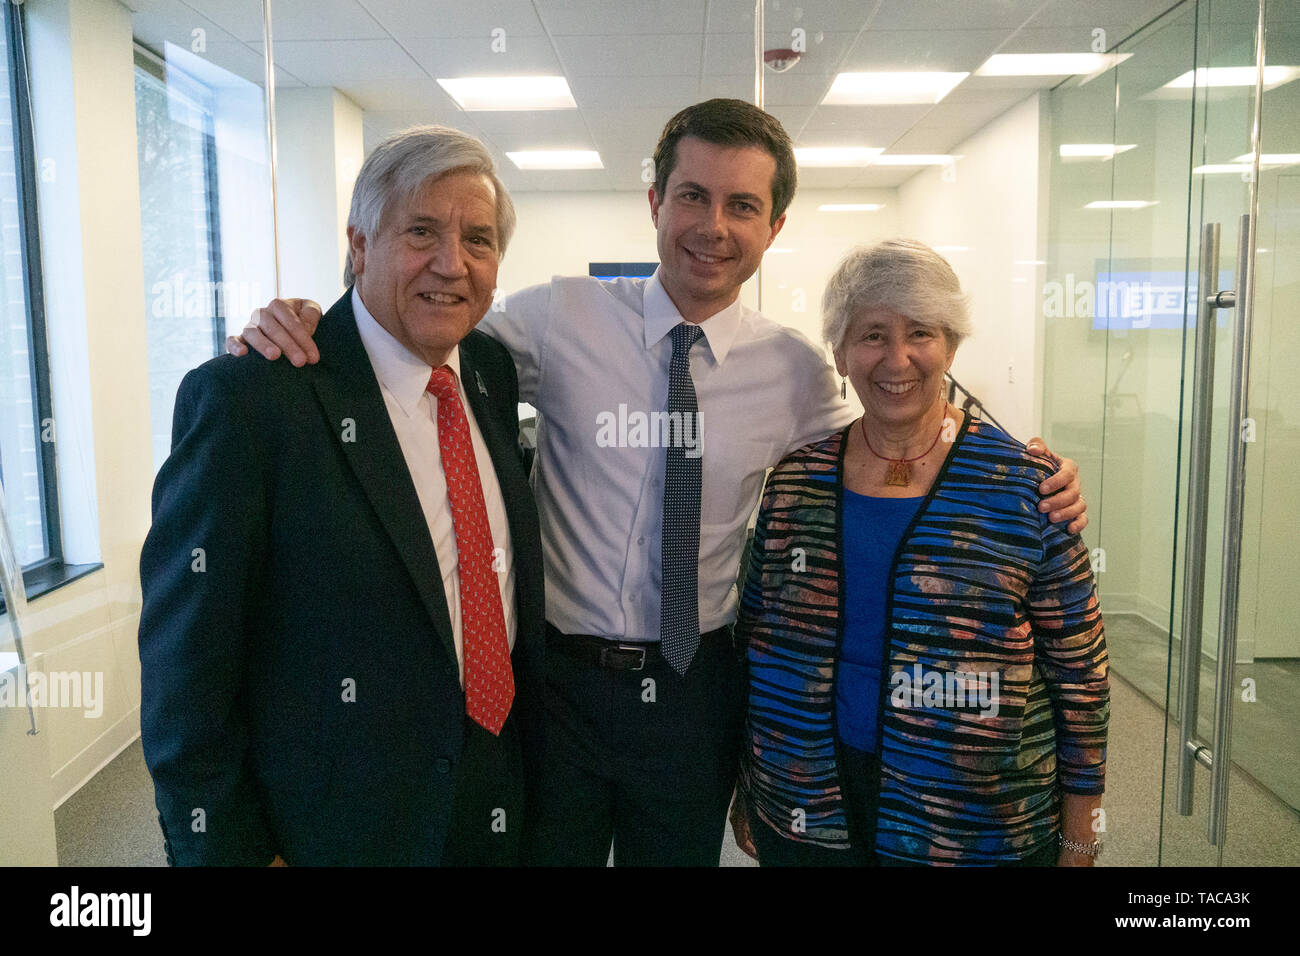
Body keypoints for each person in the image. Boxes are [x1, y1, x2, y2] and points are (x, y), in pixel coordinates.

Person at [228, 99, 1089, 866]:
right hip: (554, 685)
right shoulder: (555, 318)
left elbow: (894, 412)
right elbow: (421, 326)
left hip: (694, 690)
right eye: (693, 196)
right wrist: (307, 317)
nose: (713, 225)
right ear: (655, 202)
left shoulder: (792, 372)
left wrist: (1017, 461)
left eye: (742, 205)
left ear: (773, 227)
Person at [138, 125, 544, 865]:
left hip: (489, 790)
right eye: (422, 230)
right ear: (360, 245)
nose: (452, 264)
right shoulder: (253, 400)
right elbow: (185, 668)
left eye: (478, 240)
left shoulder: (488, 369)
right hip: (332, 825)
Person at [731, 239, 1108, 866]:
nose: (897, 358)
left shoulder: (1023, 485)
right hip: (807, 800)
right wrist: (752, 782)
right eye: (872, 334)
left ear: (952, 346)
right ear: (841, 354)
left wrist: (1081, 830)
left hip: (976, 819)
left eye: (921, 333)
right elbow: (757, 631)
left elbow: (1082, 673)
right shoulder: (796, 479)